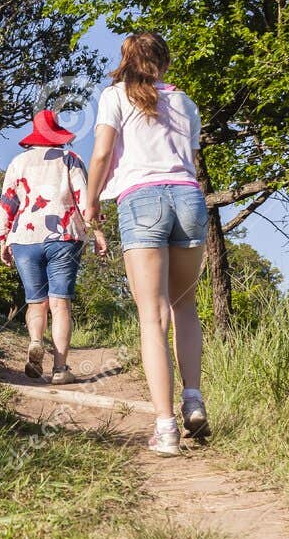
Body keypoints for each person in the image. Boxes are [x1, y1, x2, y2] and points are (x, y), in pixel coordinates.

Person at [81, 32, 208, 455]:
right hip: (189, 197)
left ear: (126, 61)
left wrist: (91, 200)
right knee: (184, 307)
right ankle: (193, 399)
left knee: (152, 317)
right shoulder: (185, 102)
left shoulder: (114, 96)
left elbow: (101, 154)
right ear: (165, 63)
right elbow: (189, 160)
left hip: (143, 198)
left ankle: (166, 429)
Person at [0, 108, 108, 384]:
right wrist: (98, 232)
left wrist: (3, 238)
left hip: (24, 238)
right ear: (57, 133)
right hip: (64, 236)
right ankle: (60, 370)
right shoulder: (69, 159)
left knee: (36, 303)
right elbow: (84, 198)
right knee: (60, 304)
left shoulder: (18, 163)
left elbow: (7, 202)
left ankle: (35, 341)